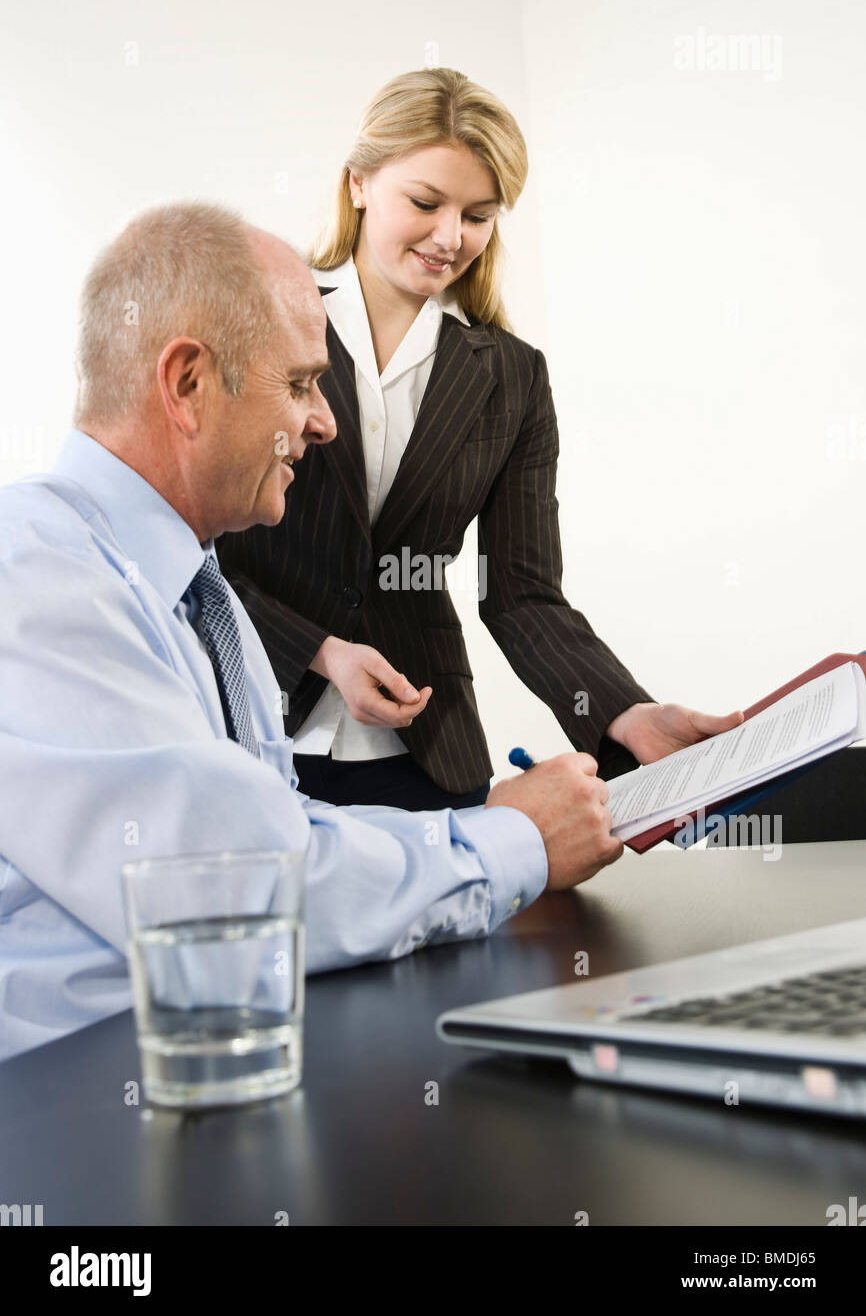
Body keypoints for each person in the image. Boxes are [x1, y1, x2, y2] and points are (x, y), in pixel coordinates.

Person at [0, 201, 624, 1063]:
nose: (323, 421)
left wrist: (486, 820)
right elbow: (238, 894)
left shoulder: (199, 592)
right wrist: (514, 843)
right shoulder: (31, 569)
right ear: (186, 385)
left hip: (198, 1070)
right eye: (297, 385)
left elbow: (277, 833)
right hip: (79, 1103)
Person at [218, 68, 742, 812]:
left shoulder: (514, 379)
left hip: (427, 759)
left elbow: (522, 594)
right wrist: (320, 654)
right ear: (360, 183)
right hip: (254, 737)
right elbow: (198, 558)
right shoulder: (261, 324)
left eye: (479, 215)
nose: (449, 237)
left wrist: (622, 713)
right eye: (425, 202)